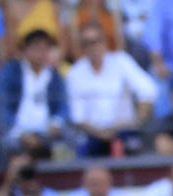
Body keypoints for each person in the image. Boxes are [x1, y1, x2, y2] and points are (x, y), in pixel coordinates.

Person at [66, 18, 157, 154]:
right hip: (91, 136)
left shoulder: (121, 61)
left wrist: (136, 121)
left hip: (124, 131)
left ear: (104, 42)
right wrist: (100, 133)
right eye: (86, 43)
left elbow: (148, 90)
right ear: (81, 47)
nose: (92, 47)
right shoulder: (75, 73)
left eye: (95, 41)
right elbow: (77, 116)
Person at [0, 29, 69, 158]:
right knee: (6, 143)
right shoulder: (10, 72)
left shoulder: (54, 75)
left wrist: (55, 124)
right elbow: (1, 107)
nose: (41, 52)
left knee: (67, 145)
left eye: (46, 48)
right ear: (25, 49)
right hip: (16, 134)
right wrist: (21, 134)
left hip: (47, 133)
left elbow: (63, 105)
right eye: (37, 47)